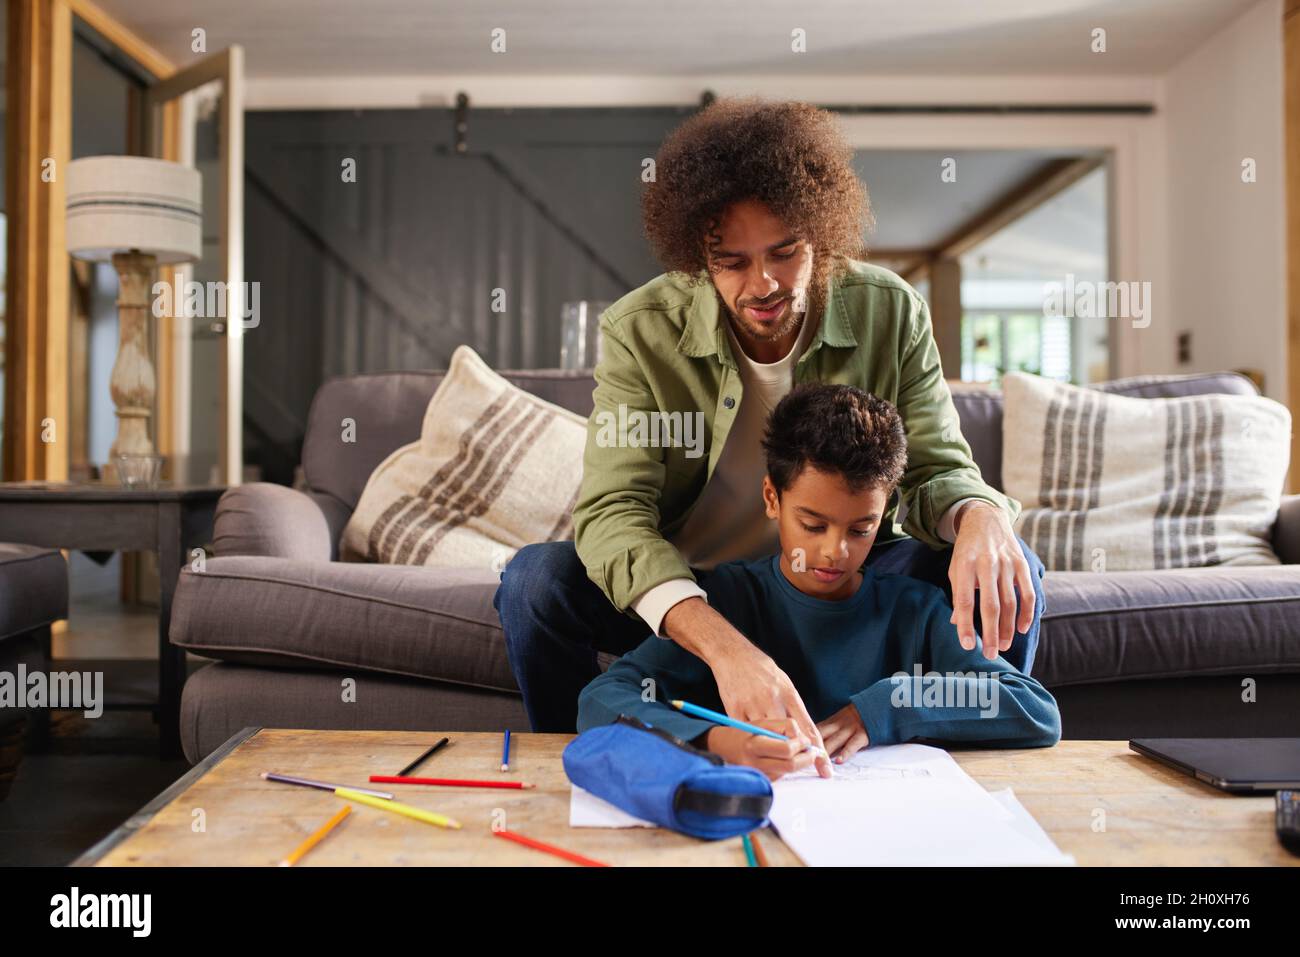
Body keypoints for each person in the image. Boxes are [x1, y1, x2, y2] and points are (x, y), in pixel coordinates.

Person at [495, 96, 1046, 747]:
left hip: (852, 574)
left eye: (785, 252)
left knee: (1011, 562)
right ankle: (586, 765)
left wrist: (982, 516)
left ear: (821, 231)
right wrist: (722, 644)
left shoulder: (889, 310)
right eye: (732, 262)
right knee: (537, 582)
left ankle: (967, 766)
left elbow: (937, 471)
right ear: (698, 256)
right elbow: (615, 511)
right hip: (701, 584)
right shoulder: (641, 331)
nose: (763, 284)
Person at [575, 384, 1060, 779]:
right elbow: (601, 699)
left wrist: (885, 707)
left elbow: (1035, 710)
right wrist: (712, 740)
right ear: (772, 498)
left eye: (860, 529)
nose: (835, 552)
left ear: (885, 512)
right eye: (812, 524)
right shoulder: (727, 604)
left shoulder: (916, 609)